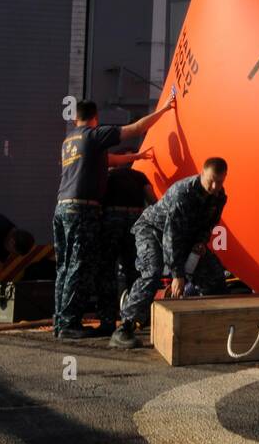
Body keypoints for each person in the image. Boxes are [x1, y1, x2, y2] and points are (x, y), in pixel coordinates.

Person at [55, 95, 173, 340]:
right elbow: (137, 128)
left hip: (62, 207)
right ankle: (69, 324)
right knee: (79, 265)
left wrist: (135, 158)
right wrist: (165, 108)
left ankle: (61, 320)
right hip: (82, 209)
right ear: (95, 118)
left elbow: (109, 160)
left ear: (76, 117)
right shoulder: (94, 135)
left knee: (65, 267)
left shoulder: (70, 141)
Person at [111, 157, 229, 350]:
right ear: (202, 173)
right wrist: (178, 274)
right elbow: (171, 234)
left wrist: (199, 244)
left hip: (183, 236)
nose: (214, 186)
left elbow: (208, 225)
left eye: (220, 181)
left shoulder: (219, 197)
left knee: (213, 272)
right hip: (152, 230)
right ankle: (124, 328)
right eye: (210, 180)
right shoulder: (183, 193)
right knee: (153, 271)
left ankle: (215, 324)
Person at [94, 166, 155, 338]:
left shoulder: (108, 174)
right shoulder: (139, 175)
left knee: (107, 271)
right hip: (135, 219)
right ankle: (135, 319)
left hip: (111, 218)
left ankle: (107, 321)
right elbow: (153, 200)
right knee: (134, 271)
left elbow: (97, 196)